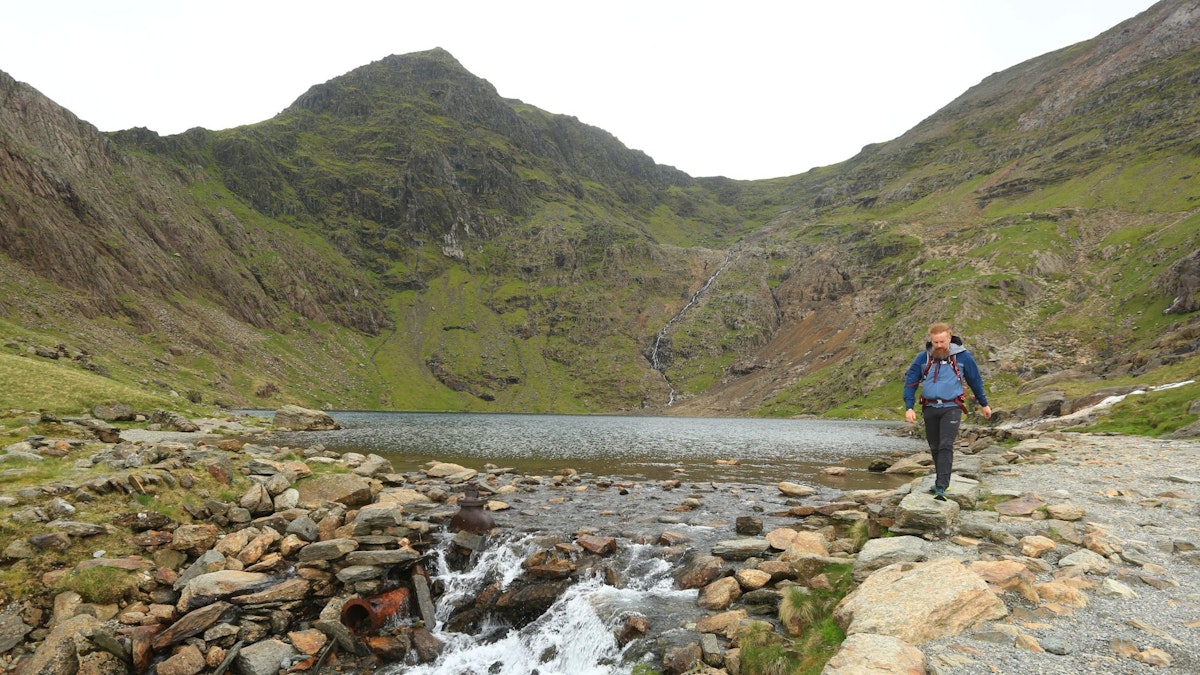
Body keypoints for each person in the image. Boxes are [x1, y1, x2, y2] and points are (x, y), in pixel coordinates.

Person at [903, 323, 992, 501]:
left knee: (945, 444)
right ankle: (939, 480)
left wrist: (984, 404)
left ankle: (942, 486)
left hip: (951, 407)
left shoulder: (964, 357)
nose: (939, 345)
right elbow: (911, 382)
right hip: (929, 408)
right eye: (935, 342)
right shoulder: (923, 358)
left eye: (942, 341)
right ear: (931, 340)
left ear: (949, 338)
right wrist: (909, 407)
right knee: (935, 446)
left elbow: (975, 381)